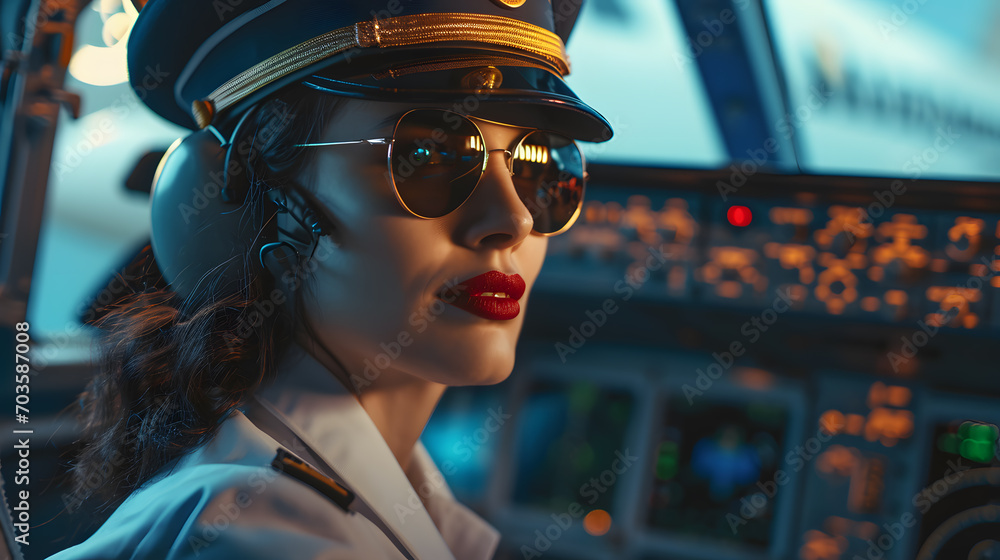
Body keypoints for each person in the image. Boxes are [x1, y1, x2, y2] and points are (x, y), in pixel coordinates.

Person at [50, 0, 611, 558]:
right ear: (258, 204)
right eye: (428, 153)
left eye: (536, 165)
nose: (513, 220)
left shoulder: (391, 508)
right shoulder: (264, 536)